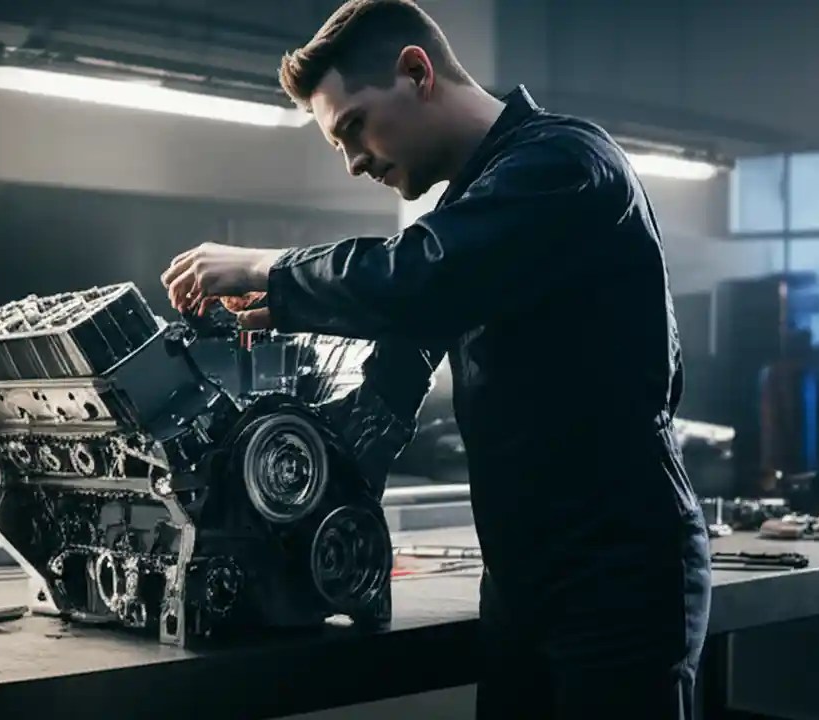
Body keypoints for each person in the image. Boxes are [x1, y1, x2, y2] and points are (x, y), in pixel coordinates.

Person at [160, 1, 712, 717]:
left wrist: (271, 269)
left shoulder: (562, 163)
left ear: (416, 72)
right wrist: (323, 464)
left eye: (353, 126)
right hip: (524, 572)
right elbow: (412, 336)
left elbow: (424, 278)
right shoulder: (482, 208)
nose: (355, 161)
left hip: (620, 572)